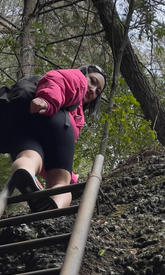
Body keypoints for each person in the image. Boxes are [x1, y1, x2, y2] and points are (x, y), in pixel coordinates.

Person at [8, 65, 106, 210]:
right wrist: (48, 101)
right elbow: (58, 80)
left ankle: (25, 172)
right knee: (60, 182)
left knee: (29, 157)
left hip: (25, 122)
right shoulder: (78, 77)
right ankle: (54, 207)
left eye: (98, 91)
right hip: (54, 116)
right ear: (84, 73)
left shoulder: (78, 111)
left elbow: (53, 157)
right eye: (92, 81)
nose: (93, 90)